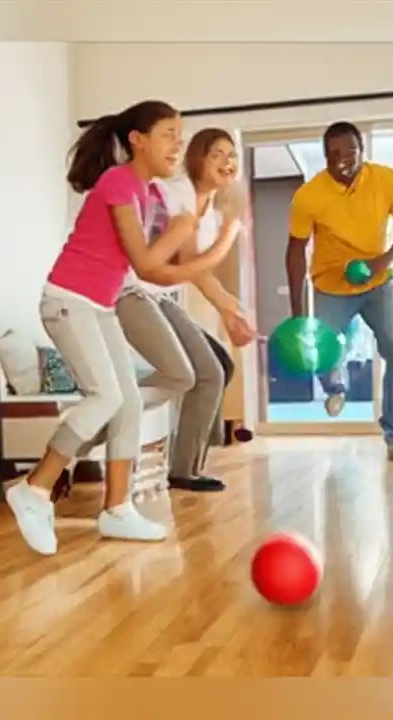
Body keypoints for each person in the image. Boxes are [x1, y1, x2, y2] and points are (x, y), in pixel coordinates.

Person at [5, 100, 242, 556]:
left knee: (128, 401)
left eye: (180, 134)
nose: (178, 143)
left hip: (100, 305)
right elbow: (147, 265)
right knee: (108, 397)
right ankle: (33, 488)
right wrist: (208, 233)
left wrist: (197, 232)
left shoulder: (151, 196)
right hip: (68, 302)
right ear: (138, 139)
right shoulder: (118, 183)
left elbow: (166, 269)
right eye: (169, 134)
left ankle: (117, 509)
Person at [113, 127, 254, 493]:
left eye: (231, 155)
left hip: (160, 295)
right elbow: (191, 260)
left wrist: (231, 310)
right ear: (198, 159)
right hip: (133, 289)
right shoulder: (179, 194)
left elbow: (196, 271)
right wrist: (230, 235)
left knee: (216, 367)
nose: (228, 161)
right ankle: (116, 410)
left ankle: (185, 468)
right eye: (217, 154)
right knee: (204, 372)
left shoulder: (208, 210)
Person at [285, 121, 393, 461]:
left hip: (377, 283)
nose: (342, 159)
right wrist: (299, 315)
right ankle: (336, 387)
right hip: (331, 285)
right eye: (333, 154)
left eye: (350, 150)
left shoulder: (386, 180)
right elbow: (295, 250)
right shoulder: (309, 196)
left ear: (362, 151)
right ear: (324, 157)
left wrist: (382, 261)